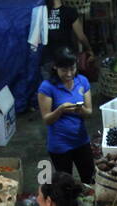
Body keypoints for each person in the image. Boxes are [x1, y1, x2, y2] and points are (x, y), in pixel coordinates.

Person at [37, 48, 95, 186]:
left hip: (81, 140)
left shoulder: (82, 81)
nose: (69, 74)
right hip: (60, 144)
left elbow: (89, 113)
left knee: (90, 180)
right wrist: (61, 110)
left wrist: (80, 110)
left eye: (72, 68)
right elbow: (47, 119)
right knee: (65, 185)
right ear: (55, 67)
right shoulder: (47, 87)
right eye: (64, 70)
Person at [35, 0, 93, 66]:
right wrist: (89, 50)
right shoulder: (70, 12)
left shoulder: (40, 12)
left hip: (47, 59)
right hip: (66, 58)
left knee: (48, 80)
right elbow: (81, 37)